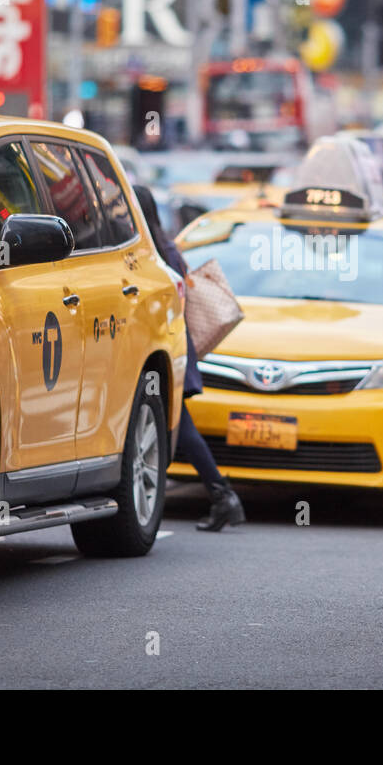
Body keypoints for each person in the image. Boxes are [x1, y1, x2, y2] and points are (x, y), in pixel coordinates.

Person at [132, 185, 246, 530]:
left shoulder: (154, 255)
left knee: (176, 424)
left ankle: (222, 496)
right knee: (176, 424)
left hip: (164, 347)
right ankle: (222, 497)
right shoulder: (166, 248)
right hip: (170, 347)